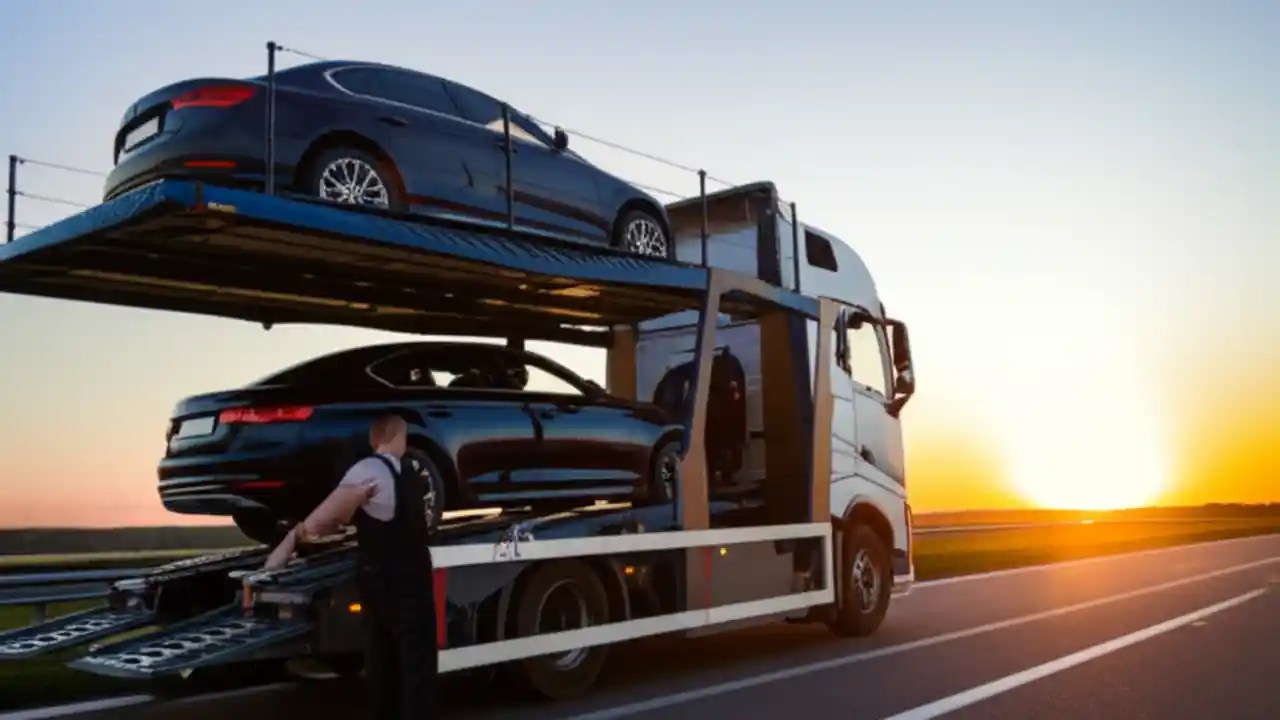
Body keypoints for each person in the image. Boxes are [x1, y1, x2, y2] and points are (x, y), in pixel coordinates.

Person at [264, 413, 437, 719]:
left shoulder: (373, 470)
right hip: (412, 578)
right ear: (397, 435)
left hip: (380, 576)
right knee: (416, 663)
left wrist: (294, 539)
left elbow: (325, 519)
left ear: (374, 439)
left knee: (382, 658)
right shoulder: (409, 473)